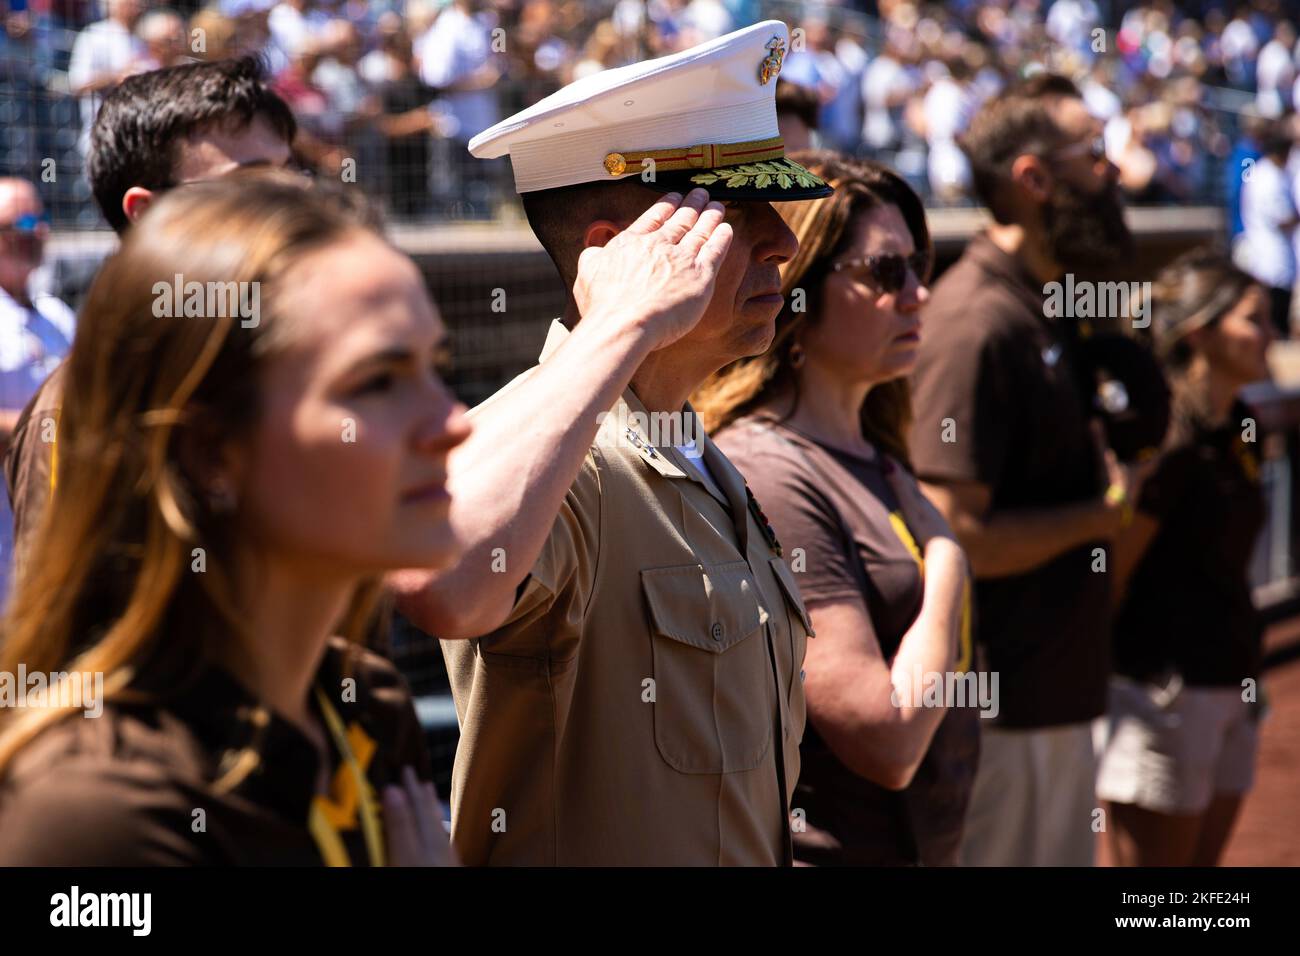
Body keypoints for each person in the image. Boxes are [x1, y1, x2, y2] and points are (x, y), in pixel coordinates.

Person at [391, 20, 829, 866]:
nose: (783, 239)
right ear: (613, 253)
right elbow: (444, 579)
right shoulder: (555, 459)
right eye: (733, 211)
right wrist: (622, 322)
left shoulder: (695, 454)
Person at [0, 175, 468, 865]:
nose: (452, 422)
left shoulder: (367, 707)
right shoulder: (90, 812)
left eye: (436, 366)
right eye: (376, 381)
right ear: (210, 449)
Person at [694, 152, 978, 865]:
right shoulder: (771, 469)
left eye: (919, 266)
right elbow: (886, 739)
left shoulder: (872, 446)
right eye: (885, 272)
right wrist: (947, 562)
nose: (917, 294)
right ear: (801, 288)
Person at [908, 74, 1145, 867]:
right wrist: (1103, 513)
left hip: (1054, 695)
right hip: (1001, 714)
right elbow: (954, 534)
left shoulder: (1047, 301)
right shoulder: (977, 319)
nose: (1112, 171)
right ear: (1034, 179)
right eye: (1094, 153)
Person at [5, 57, 296, 590]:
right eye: (251, 184)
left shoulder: (290, 369)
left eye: (291, 177)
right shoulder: (81, 411)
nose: (294, 207)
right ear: (148, 214)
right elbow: (62, 647)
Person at [1101, 250, 1273, 866]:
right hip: (1165, 694)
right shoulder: (1166, 441)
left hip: (1232, 677)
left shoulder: (1243, 424)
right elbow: (1114, 573)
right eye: (1254, 319)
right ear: (1202, 329)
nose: (1271, 334)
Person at [0, 179, 75, 609]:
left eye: (43, 220)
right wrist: (46, 428)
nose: (40, 232)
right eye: (26, 222)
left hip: (47, 520)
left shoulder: (56, 315)